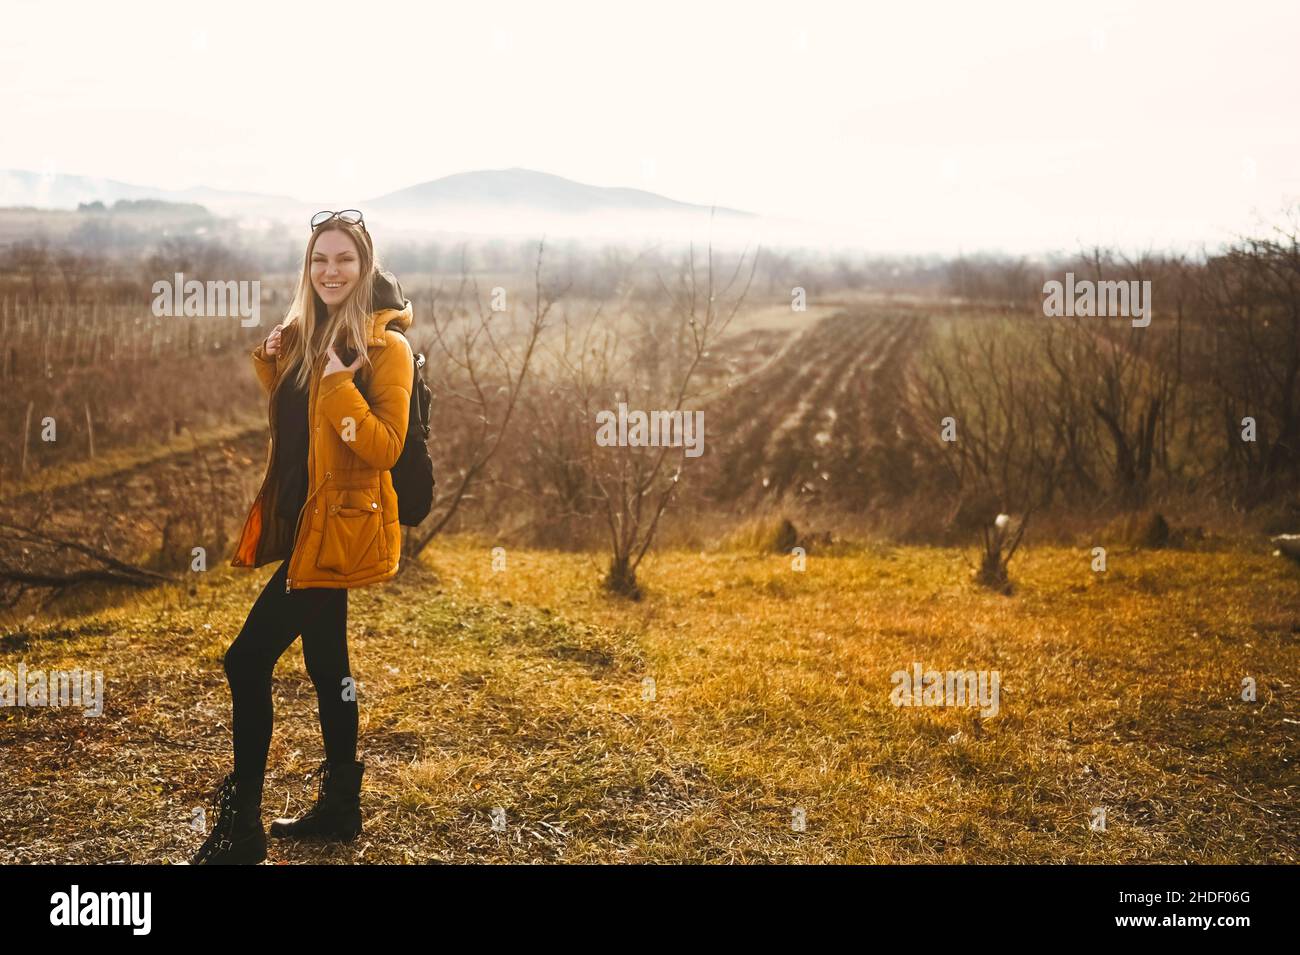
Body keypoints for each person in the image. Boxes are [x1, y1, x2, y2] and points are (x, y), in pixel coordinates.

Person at [191, 209, 414, 864]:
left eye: (344, 259)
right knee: (328, 666)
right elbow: (304, 428)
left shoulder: (383, 349)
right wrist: (276, 369)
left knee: (245, 659)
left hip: (337, 534)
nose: (330, 270)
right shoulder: (309, 334)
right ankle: (341, 808)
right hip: (307, 523)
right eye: (320, 259)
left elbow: (384, 446)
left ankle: (242, 830)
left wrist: (342, 383)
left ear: (364, 266)